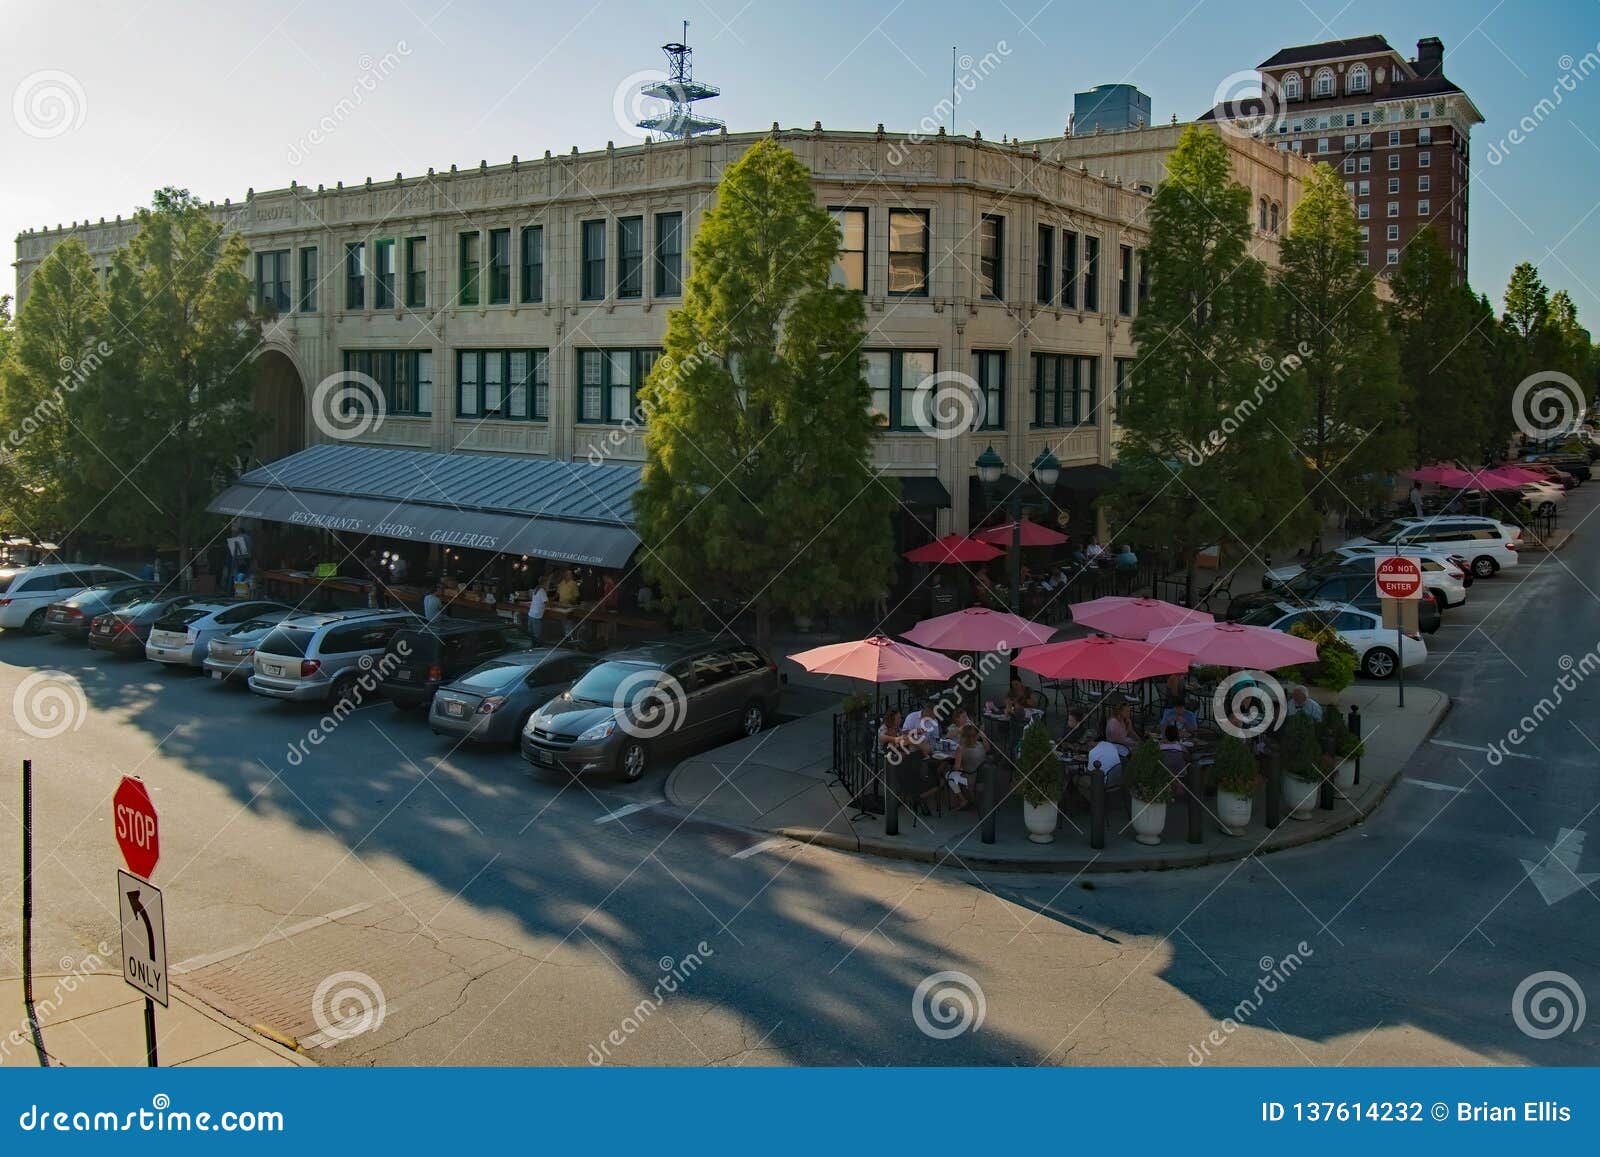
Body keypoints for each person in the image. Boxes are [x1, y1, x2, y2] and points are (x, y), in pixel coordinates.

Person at [948, 724, 986, 811]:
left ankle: (963, 800)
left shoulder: (961, 749)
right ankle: (970, 797)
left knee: (949, 776)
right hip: (979, 775)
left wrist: (954, 766)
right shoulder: (980, 745)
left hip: (969, 778)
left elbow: (956, 768)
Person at [526, 578, 549, 643]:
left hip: (531, 614)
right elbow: (546, 602)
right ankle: (536, 648)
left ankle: (531, 646)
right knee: (537, 635)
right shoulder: (541, 590)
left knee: (531, 633)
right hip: (536, 615)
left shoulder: (535, 590)